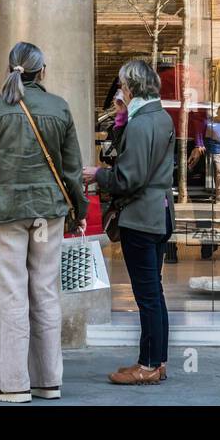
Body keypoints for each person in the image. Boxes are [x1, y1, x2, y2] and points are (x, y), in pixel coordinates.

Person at [0, 42, 86, 403]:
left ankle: (13, 383)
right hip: (48, 212)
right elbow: (72, 170)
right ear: (41, 71)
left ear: (10, 69)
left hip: (5, 213)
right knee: (46, 293)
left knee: (13, 295)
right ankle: (48, 380)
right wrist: (78, 212)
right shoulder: (59, 107)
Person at [83, 58, 175, 387]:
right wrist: (122, 117)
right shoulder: (158, 117)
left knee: (147, 295)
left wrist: (98, 174)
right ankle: (155, 361)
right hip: (159, 213)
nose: (119, 90)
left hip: (142, 217)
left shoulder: (142, 123)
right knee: (155, 294)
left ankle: (149, 365)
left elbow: (128, 177)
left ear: (132, 86)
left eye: (122, 85)